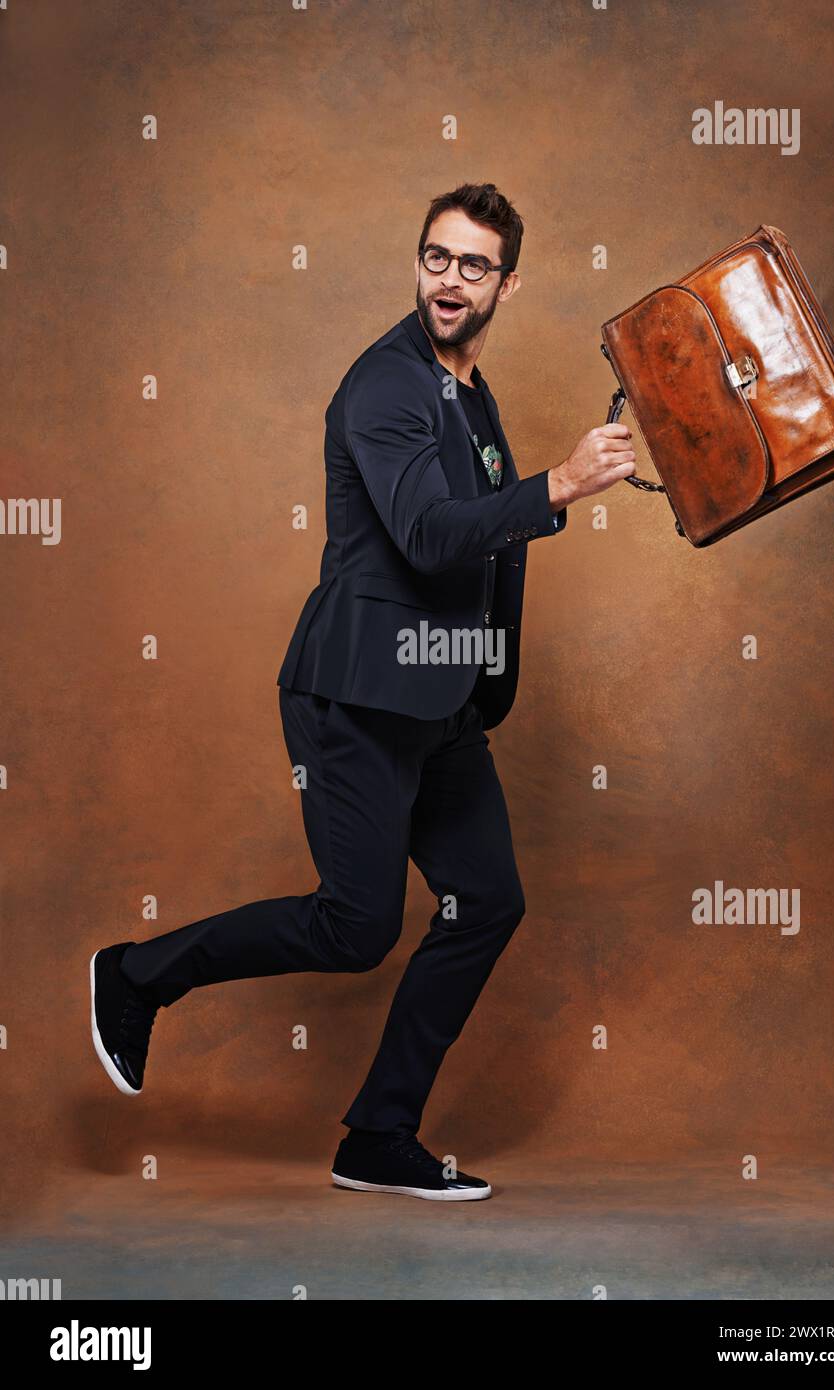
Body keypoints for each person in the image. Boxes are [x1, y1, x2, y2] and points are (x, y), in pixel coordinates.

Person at [90, 182, 636, 1201]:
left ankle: (376, 1135)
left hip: (441, 699)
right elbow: (429, 534)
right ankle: (135, 972)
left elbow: (481, 539)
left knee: (485, 902)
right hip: (357, 697)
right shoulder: (386, 386)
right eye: (436, 256)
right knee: (356, 927)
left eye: (473, 265)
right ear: (418, 261)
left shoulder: (466, 390)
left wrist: (485, 671)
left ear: (505, 285)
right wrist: (558, 485)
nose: (449, 279)